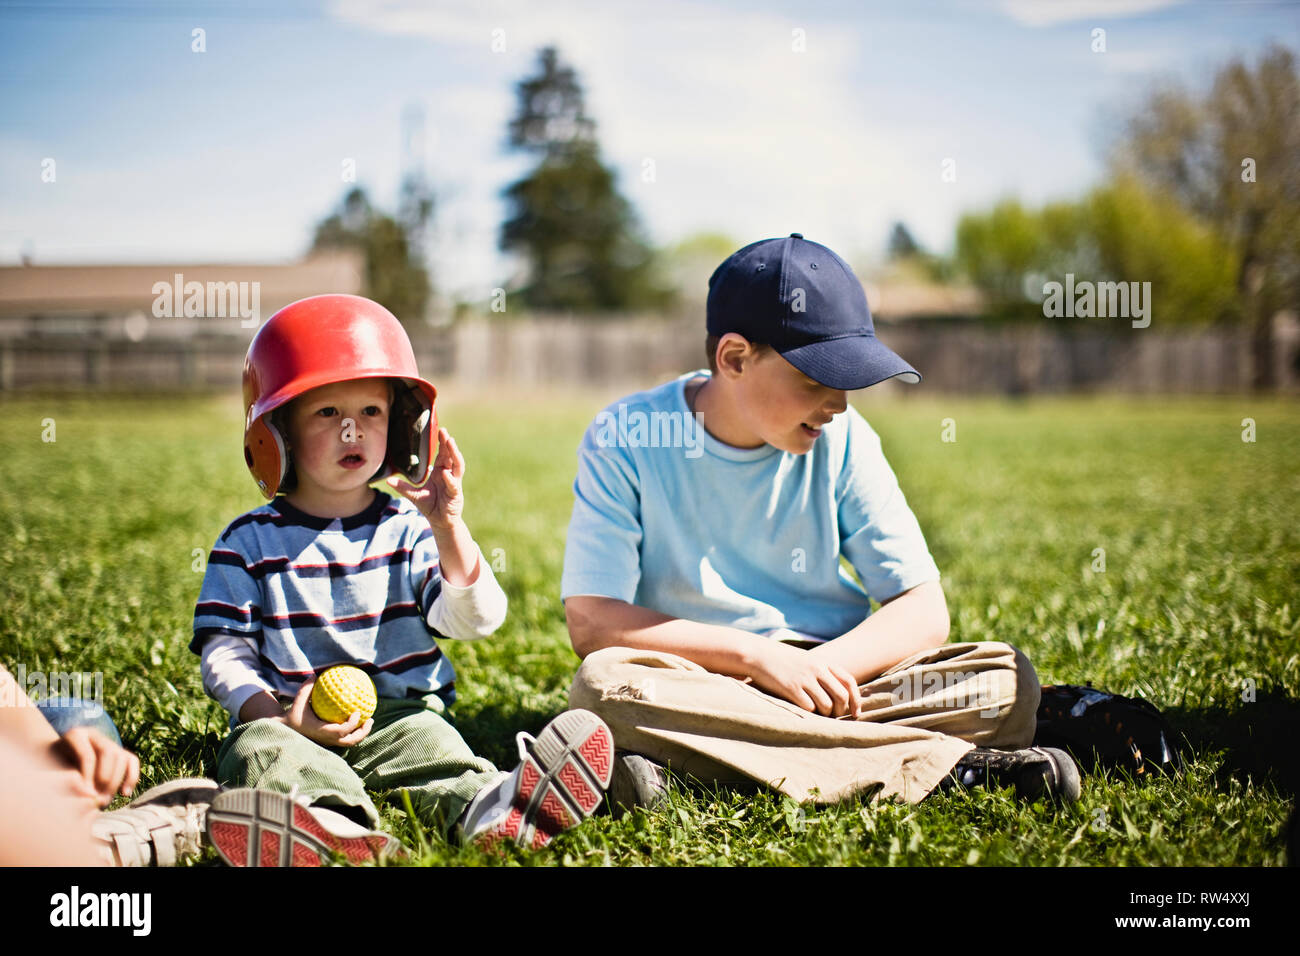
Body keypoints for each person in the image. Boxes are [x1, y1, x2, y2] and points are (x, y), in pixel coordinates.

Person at [563, 234, 1079, 811]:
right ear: (734, 358)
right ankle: (948, 770)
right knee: (607, 686)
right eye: (814, 380)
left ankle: (695, 769)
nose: (837, 405)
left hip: (839, 683)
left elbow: (922, 608)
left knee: (1005, 684)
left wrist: (809, 670)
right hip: (702, 680)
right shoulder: (628, 434)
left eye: (848, 383)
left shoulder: (845, 438)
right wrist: (757, 660)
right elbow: (592, 620)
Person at [189, 294, 613, 866]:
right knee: (256, 749)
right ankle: (329, 827)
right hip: (288, 714)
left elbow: (476, 619)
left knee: (434, 744)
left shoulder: (407, 529)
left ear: (403, 425)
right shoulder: (247, 542)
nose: (351, 431)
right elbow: (224, 652)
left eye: (371, 412)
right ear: (276, 431)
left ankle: (495, 809)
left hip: (398, 712)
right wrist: (274, 714)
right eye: (325, 413)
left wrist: (448, 526)